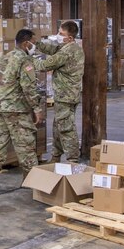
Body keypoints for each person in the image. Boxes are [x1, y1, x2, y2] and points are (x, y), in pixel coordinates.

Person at [0, 29, 45, 190]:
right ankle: (29, 182)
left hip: (0, 107)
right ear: (26, 43)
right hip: (17, 110)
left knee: (0, 143)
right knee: (26, 146)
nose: (35, 46)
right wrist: (37, 109)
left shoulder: (4, 58)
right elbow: (28, 87)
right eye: (33, 42)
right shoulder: (25, 61)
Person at [33, 21, 84, 163]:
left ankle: (73, 160)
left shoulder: (68, 51)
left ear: (70, 38)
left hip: (65, 96)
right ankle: (56, 156)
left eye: (62, 34)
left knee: (66, 128)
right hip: (67, 95)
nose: (58, 36)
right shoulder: (68, 47)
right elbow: (52, 49)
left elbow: (44, 65)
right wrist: (36, 44)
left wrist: (30, 57)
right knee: (58, 126)